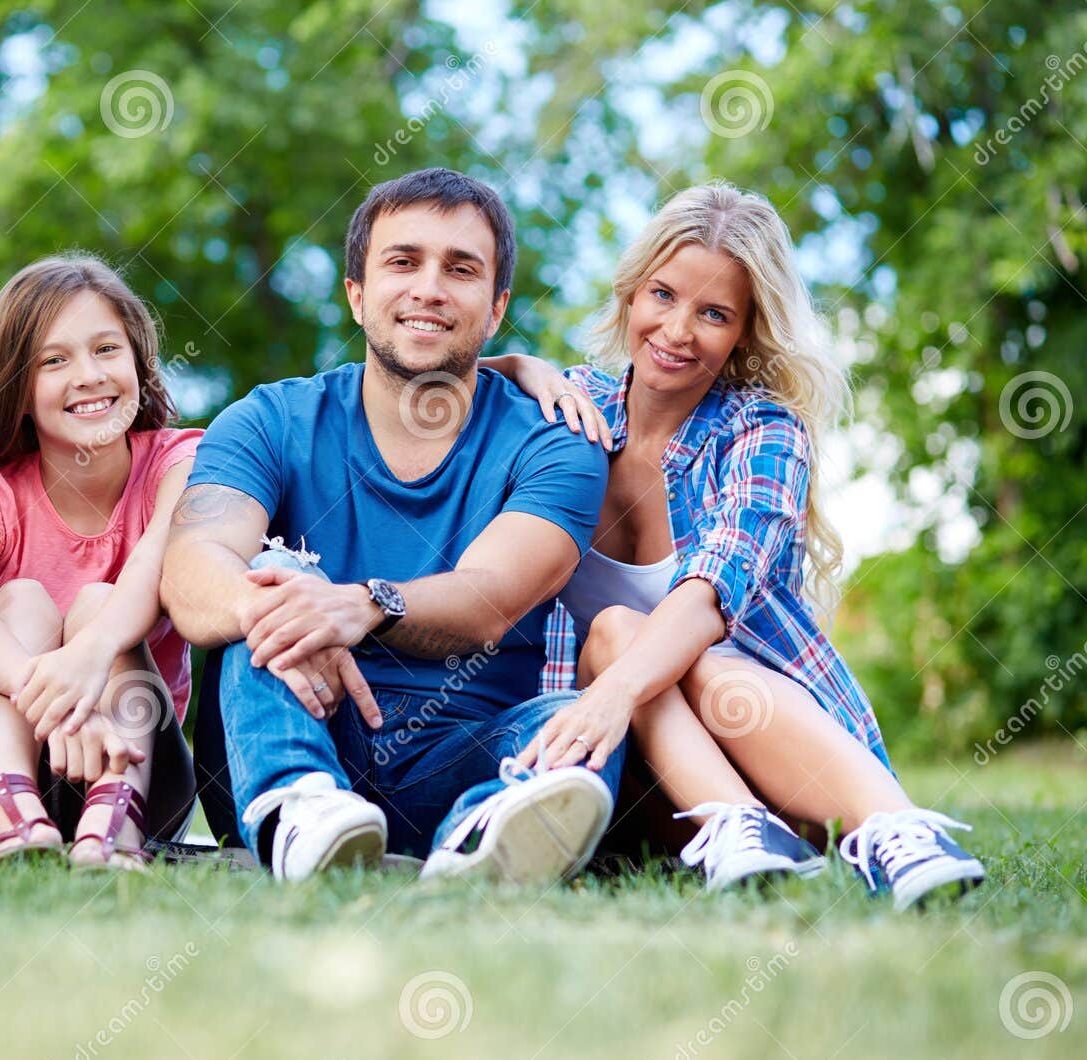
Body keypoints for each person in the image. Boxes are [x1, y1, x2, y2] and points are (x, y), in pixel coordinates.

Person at [523, 183, 985, 909]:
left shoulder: (764, 429)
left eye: (713, 313)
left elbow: (713, 588)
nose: (677, 330)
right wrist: (520, 366)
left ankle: (890, 830)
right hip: (635, 790)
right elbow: (447, 383)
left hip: (781, 764)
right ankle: (736, 828)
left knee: (660, 641)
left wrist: (614, 689)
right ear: (629, 295)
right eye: (663, 295)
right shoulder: (566, 408)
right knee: (615, 632)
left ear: (745, 331)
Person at [163, 168, 618, 884]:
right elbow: (191, 571)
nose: (429, 288)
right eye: (402, 262)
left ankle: (484, 832)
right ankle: (302, 810)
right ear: (355, 293)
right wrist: (282, 606)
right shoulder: (269, 420)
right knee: (270, 584)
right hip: (293, 713)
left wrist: (359, 606)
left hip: (464, 747)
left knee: (581, 718)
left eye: (460, 270)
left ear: (496, 307)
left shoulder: (557, 442)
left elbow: (490, 599)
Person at [0, 255, 199, 869]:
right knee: (20, 602)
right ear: (18, 391)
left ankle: (114, 828)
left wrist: (87, 658)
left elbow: (149, 567)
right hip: (5, 757)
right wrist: (53, 695)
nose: (88, 375)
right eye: (54, 361)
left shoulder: (181, 462)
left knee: (99, 603)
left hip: (140, 765)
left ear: (138, 362)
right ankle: (10, 818)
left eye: (106, 350)